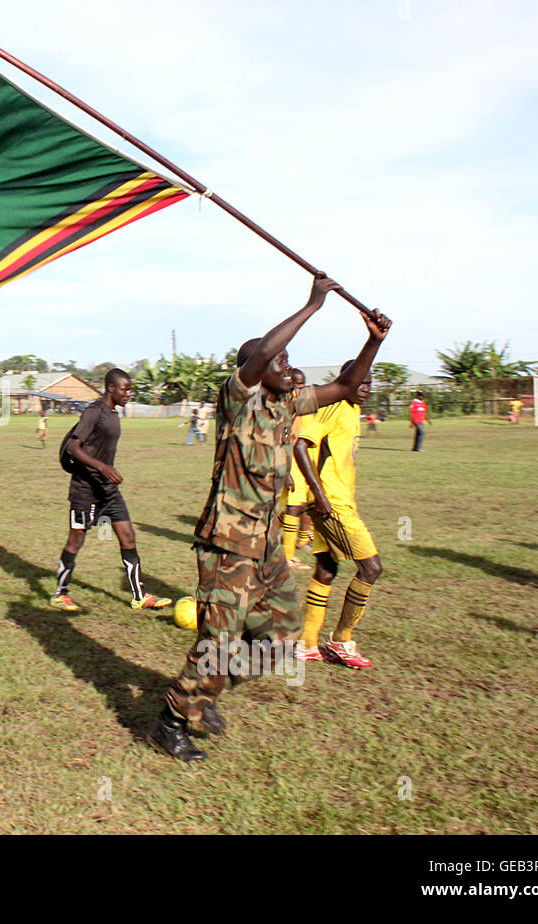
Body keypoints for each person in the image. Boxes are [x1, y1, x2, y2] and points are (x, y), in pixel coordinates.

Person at [148, 275, 391, 763]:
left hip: (267, 548)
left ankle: (204, 691)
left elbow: (346, 385)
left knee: (282, 640)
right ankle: (172, 720)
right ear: (255, 372)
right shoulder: (238, 403)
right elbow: (261, 356)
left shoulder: (287, 405)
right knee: (217, 639)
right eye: (282, 361)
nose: (291, 366)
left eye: (288, 360)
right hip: (227, 544)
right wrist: (312, 305)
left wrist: (373, 341)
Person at [51, 368, 173, 614]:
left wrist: (106, 473)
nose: (129, 394)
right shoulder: (94, 412)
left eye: (129, 389)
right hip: (85, 490)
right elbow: (74, 447)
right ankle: (60, 594)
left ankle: (139, 596)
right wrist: (102, 467)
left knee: (128, 537)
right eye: (125, 389)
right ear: (111, 388)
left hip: (108, 490)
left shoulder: (113, 413)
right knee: (76, 540)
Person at [295, 361, 386, 669]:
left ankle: (307, 643)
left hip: (335, 500)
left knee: (326, 568)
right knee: (371, 568)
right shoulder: (335, 407)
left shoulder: (353, 411)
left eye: (369, 384)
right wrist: (320, 495)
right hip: (331, 503)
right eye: (361, 383)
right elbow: (300, 446)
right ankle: (341, 640)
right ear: (346, 381)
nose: (365, 389)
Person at [280, 368, 314, 571]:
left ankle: (263, 537)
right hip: (292, 461)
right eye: (296, 384)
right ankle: (287, 555)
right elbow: (286, 436)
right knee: (294, 507)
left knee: (297, 506)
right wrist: (285, 469)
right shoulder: (288, 404)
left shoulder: (304, 403)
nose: (299, 387)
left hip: (304, 462)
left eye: (302, 384)